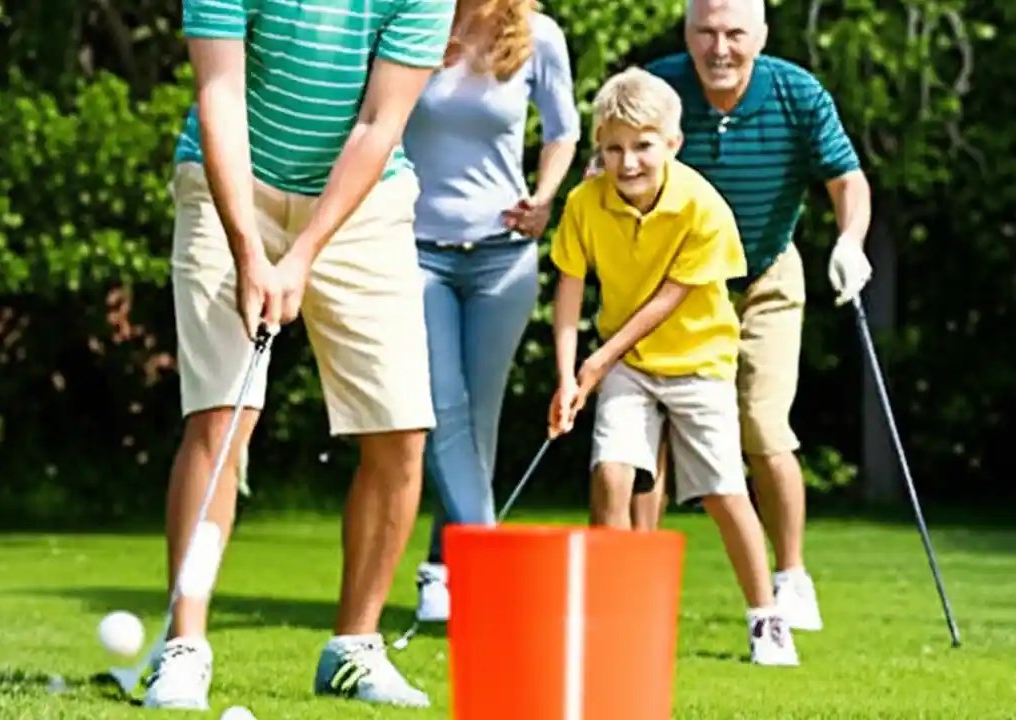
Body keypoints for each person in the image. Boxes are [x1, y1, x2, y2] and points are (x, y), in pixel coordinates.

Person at [148, 0, 456, 710]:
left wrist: (304, 253)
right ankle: (185, 647)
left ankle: (352, 649)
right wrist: (250, 251)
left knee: (400, 431)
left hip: (362, 204)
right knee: (221, 418)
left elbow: (381, 124)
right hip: (231, 184)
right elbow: (219, 93)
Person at [630, 0, 874, 632]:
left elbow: (847, 180)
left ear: (761, 35)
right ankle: (637, 584)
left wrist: (849, 242)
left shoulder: (797, 93)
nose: (719, 49)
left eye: (735, 33)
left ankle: (790, 576)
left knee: (762, 426)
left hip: (765, 274)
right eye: (705, 32)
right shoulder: (658, 89)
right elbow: (614, 169)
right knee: (646, 436)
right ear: (687, 32)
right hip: (674, 286)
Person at [548, 67, 799, 667]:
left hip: (698, 360)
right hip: (629, 364)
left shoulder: (702, 207)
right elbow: (569, 287)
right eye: (612, 148)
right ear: (599, 150)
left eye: (642, 147)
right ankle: (609, 619)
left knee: (720, 489)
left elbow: (668, 298)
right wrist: (565, 376)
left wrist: (595, 362)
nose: (627, 162)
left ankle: (767, 619)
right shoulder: (586, 202)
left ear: (672, 144)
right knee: (611, 475)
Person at [398, 0, 581, 624]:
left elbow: (563, 130)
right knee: (440, 407)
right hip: (417, 251)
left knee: (479, 421)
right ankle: (491, 568)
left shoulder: (540, 38)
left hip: (503, 259)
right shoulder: (414, 22)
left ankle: (443, 569)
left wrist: (545, 196)